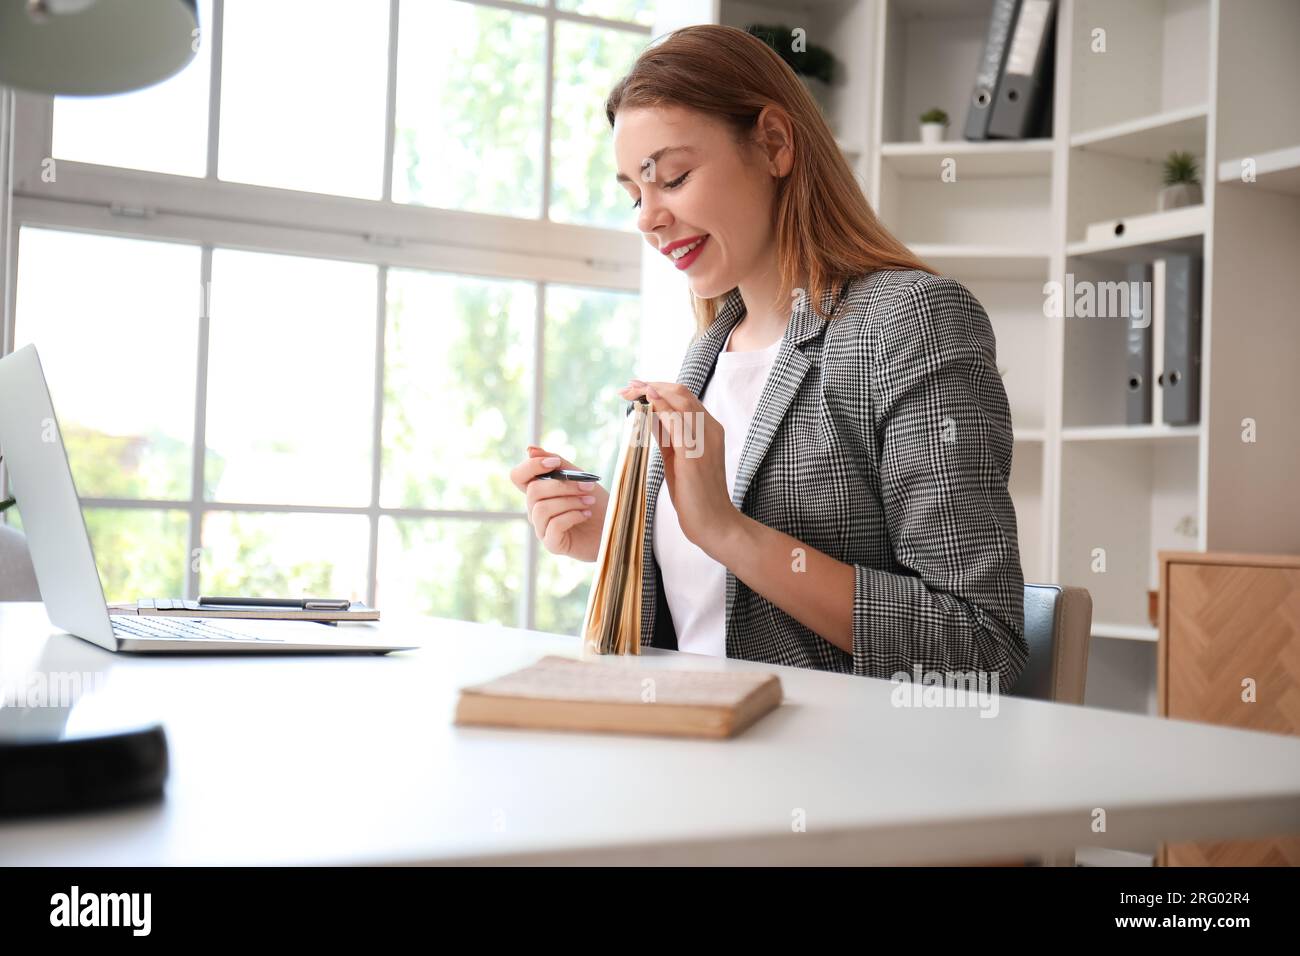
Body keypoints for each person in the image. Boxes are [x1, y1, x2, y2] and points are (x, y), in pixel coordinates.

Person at [509, 24, 1026, 689]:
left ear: (776, 144)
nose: (647, 217)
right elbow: (714, 622)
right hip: (688, 756)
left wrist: (727, 531)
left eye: (672, 177)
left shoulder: (909, 321)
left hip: (832, 774)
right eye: (636, 195)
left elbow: (980, 653)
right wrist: (616, 535)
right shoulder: (707, 351)